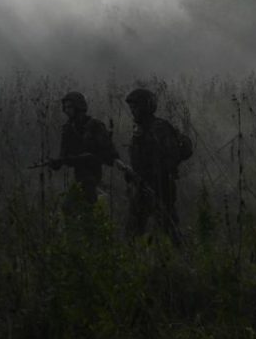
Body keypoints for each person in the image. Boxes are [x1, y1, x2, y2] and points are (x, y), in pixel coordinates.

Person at [123, 88, 192, 244]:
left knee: (168, 226)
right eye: (131, 108)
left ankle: (184, 256)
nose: (133, 111)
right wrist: (133, 174)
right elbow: (139, 159)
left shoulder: (159, 128)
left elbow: (171, 157)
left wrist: (155, 174)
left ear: (145, 107)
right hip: (143, 184)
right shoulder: (139, 130)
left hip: (161, 185)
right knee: (133, 228)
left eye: (136, 107)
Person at [48, 91, 118, 213]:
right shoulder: (68, 128)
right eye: (65, 107)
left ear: (78, 107)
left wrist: (89, 158)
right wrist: (57, 163)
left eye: (69, 107)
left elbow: (110, 155)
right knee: (69, 209)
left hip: (94, 176)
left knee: (87, 209)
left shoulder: (95, 126)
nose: (66, 110)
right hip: (79, 176)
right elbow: (63, 156)